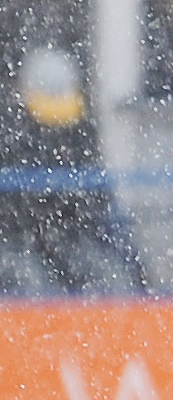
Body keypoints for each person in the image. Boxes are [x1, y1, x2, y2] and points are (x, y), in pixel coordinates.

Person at [0, 44, 144, 293]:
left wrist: (68, 221)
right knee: (32, 287)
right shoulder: (12, 132)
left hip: (70, 235)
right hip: (16, 238)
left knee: (113, 281)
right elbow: (15, 205)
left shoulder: (78, 128)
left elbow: (94, 193)